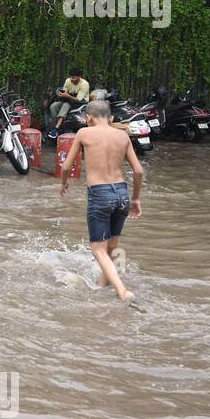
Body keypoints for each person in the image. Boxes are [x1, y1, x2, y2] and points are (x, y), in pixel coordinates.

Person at [59, 99, 144, 302]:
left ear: (88, 118)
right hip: (122, 193)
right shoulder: (123, 135)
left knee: (98, 249)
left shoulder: (83, 133)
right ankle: (101, 285)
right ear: (111, 118)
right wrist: (136, 199)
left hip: (100, 193)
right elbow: (139, 171)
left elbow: (65, 167)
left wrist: (63, 183)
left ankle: (122, 292)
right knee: (112, 247)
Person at [49, 68, 91, 138]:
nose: (71, 79)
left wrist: (67, 95)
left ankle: (56, 128)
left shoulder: (84, 84)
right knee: (53, 106)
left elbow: (78, 99)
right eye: (71, 77)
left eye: (74, 78)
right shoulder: (68, 81)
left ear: (79, 77)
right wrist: (61, 94)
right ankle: (59, 126)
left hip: (80, 102)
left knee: (66, 105)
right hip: (69, 100)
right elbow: (64, 92)